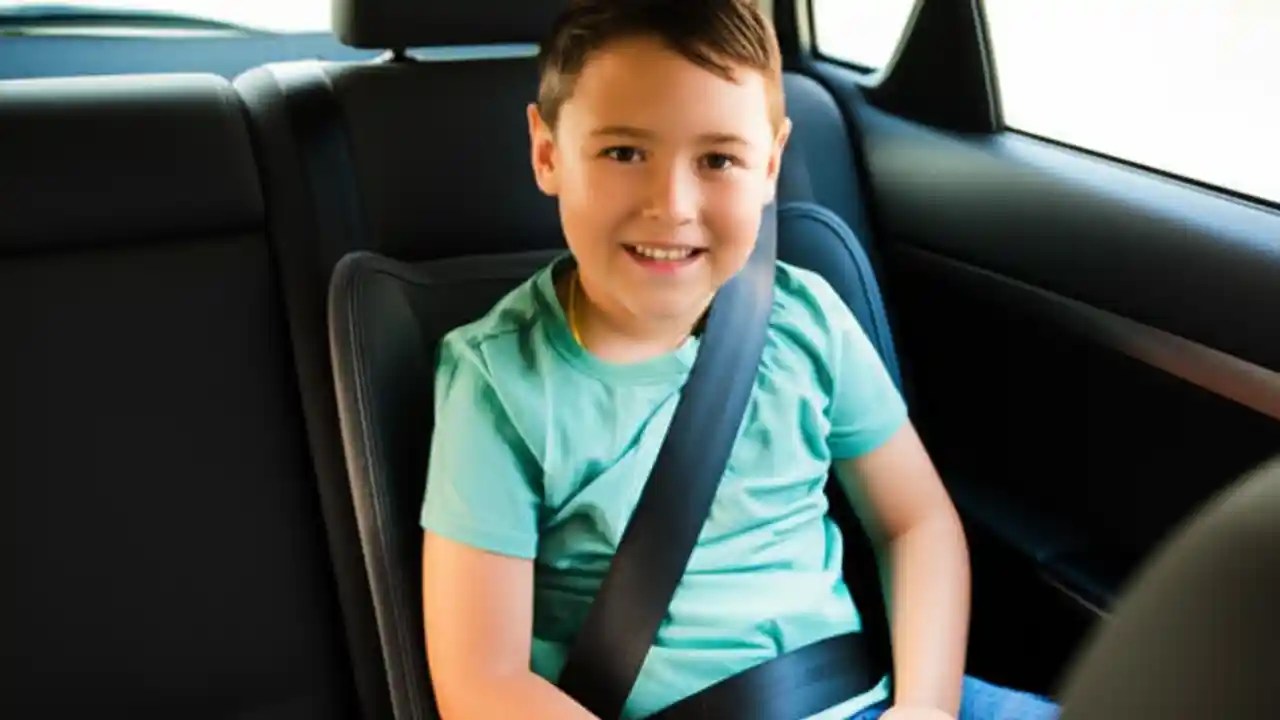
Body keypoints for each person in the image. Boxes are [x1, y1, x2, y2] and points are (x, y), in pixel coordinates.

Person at [419, 1, 1059, 718]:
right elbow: (483, 681)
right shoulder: (500, 382)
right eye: (625, 152)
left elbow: (915, 522)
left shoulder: (805, 321)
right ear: (547, 154)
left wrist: (927, 706)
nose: (673, 204)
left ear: (771, 164)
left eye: (718, 159)